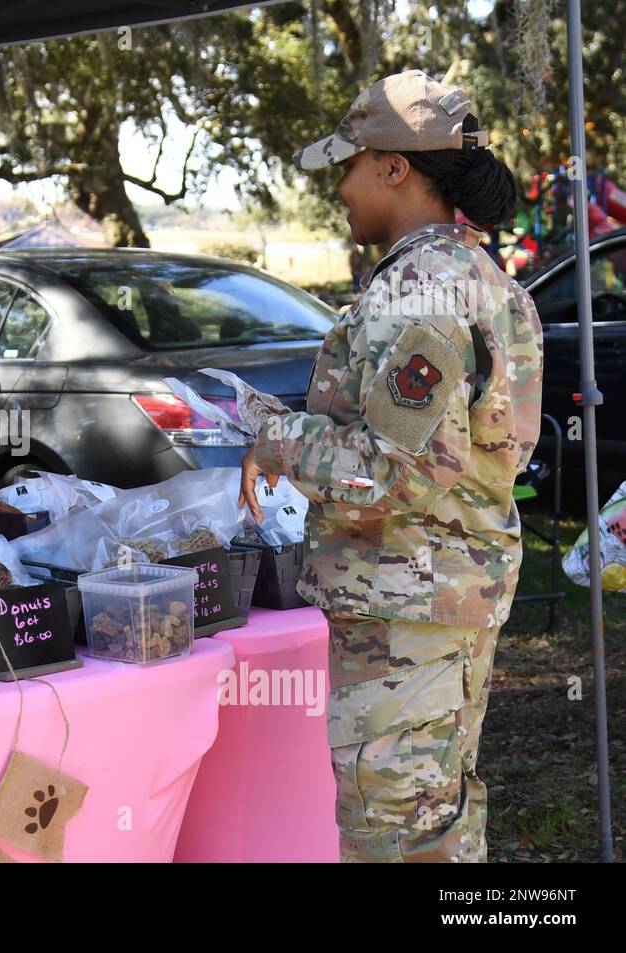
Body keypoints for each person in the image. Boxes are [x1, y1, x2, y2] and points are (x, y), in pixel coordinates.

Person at [241, 70, 544, 862]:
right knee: (440, 827)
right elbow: (500, 447)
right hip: (444, 604)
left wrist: (275, 435)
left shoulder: (416, 290)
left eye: (348, 162)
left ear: (395, 166)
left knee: (395, 839)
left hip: (407, 614)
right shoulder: (482, 277)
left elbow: (392, 471)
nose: (338, 186)